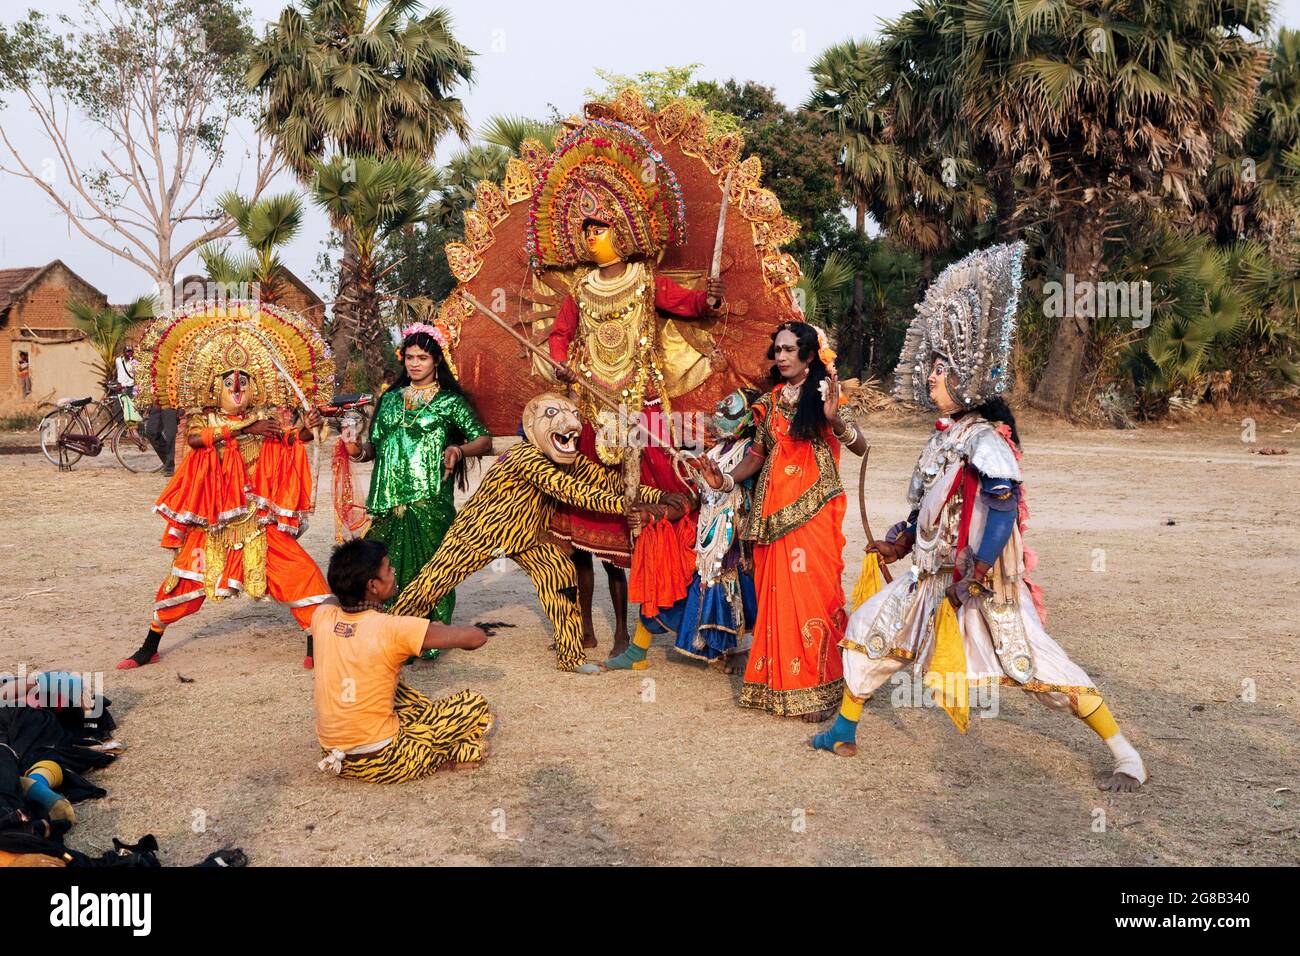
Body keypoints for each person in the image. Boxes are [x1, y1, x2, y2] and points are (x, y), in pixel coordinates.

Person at [810, 242, 1147, 792]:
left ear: (968, 379)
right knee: (870, 629)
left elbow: (1002, 505)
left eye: (941, 375)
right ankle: (843, 731)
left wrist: (978, 569)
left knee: (1036, 666)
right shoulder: (945, 438)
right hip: (928, 577)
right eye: (931, 373)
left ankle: (1125, 753)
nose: (931, 382)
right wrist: (897, 541)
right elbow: (926, 507)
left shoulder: (988, 440)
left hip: (977, 586)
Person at [528, 118, 722, 659]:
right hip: (591, 413)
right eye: (586, 232)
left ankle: (644, 623)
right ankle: (591, 628)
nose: (593, 239)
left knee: (653, 510)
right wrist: (564, 364)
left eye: (602, 229)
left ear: (626, 229)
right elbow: (560, 338)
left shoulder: (645, 281)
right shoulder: (579, 289)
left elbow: (691, 307)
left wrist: (709, 299)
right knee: (588, 521)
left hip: (644, 410)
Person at [389, 392, 683, 674]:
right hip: (480, 533)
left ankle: (571, 656)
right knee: (430, 584)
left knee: (559, 576)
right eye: (553, 414)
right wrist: (628, 505)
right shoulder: (524, 457)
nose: (571, 423)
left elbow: (605, 480)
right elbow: (572, 492)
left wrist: (661, 495)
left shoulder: (565, 457)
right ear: (532, 427)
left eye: (572, 415)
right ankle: (384, 638)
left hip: (527, 537)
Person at [117, 302, 334, 670]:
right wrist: (243, 429)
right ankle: (149, 644)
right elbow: (200, 440)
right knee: (182, 582)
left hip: (258, 523)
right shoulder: (205, 419)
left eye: (244, 379)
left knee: (304, 575)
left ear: (256, 385)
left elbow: (297, 438)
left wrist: (311, 424)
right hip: (215, 523)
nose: (236, 387)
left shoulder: (266, 418)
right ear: (213, 385)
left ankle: (316, 643)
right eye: (228, 380)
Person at [698, 322, 866, 721]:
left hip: (815, 508)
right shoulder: (769, 402)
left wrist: (834, 419)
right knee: (775, 593)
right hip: (774, 510)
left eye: (790, 349)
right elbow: (756, 455)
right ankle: (781, 684)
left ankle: (822, 688)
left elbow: (861, 446)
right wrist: (722, 479)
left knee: (813, 593)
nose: (782, 356)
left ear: (809, 355)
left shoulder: (826, 395)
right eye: (778, 350)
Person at [343, 322, 492, 659]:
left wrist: (459, 450)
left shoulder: (450, 402)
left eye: (422, 358)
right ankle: (391, 633)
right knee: (385, 566)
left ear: (436, 361)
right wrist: (356, 450)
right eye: (409, 357)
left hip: (430, 500)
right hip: (388, 500)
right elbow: (374, 449)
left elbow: (483, 439)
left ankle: (430, 640)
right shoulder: (391, 399)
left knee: (432, 567)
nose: (414, 364)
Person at [312, 539, 493, 782]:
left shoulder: (323, 617)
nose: (394, 572)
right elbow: (474, 639)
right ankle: (450, 754)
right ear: (373, 586)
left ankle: (433, 749)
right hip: (385, 759)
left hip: (335, 755)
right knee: (473, 705)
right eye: (388, 569)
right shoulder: (393, 628)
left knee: (403, 696)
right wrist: (442, 628)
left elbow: (332, 599)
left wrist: (345, 587)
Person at [607, 387, 759, 673]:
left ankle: (740, 649)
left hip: (736, 539)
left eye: (729, 406)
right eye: (721, 404)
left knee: (737, 594)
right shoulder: (714, 450)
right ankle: (638, 650)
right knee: (662, 561)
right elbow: (693, 497)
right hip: (705, 533)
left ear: (749, 417)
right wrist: (655, 514)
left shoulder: (753, 453)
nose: (719, 410)